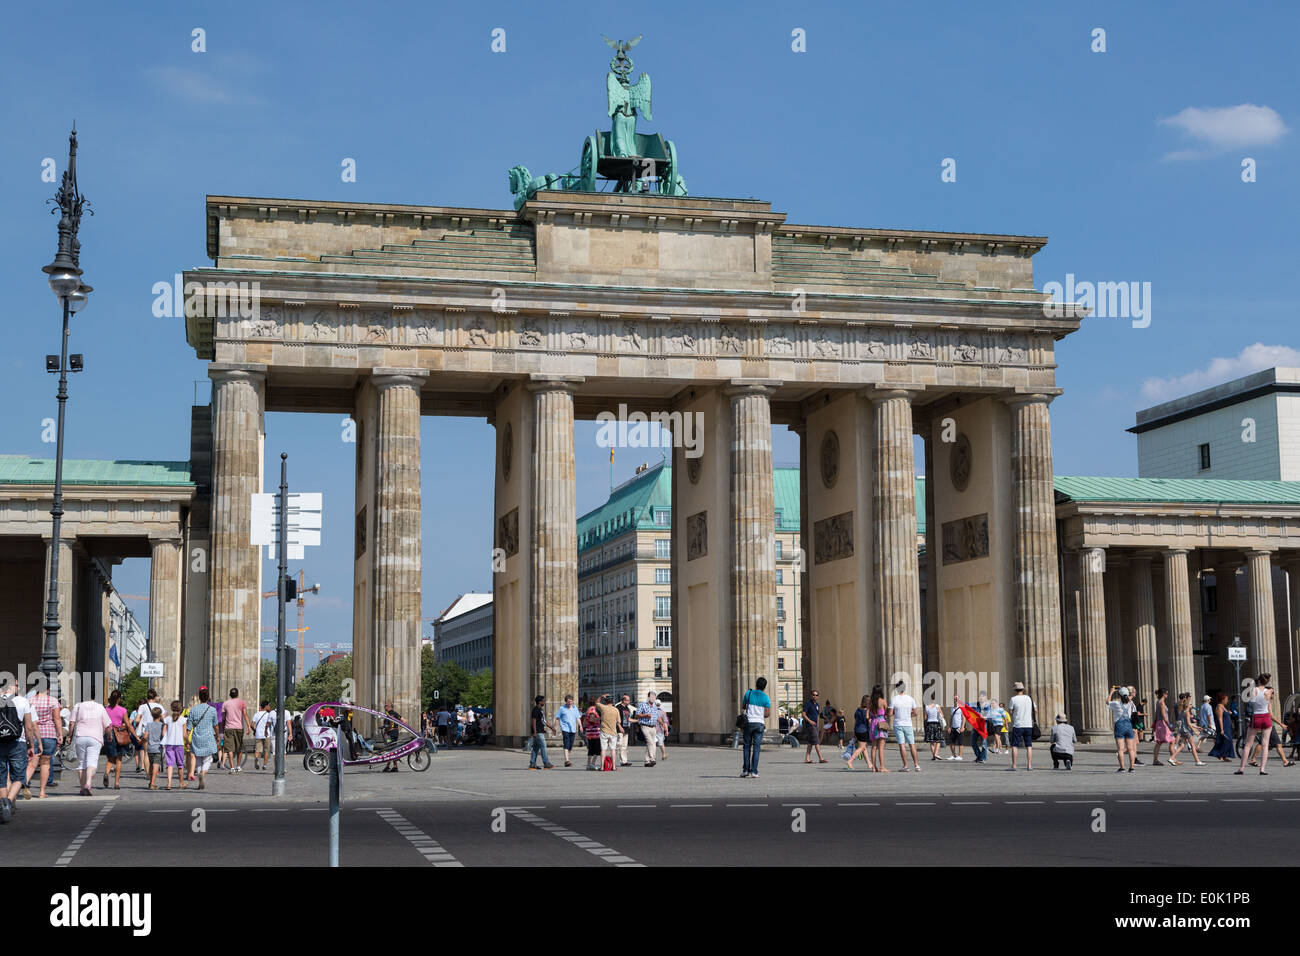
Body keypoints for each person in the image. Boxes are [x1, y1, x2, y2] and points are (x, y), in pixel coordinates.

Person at [0, 682, 37, 813]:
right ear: (9, 686)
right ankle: (9, 802)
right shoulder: (22, 701)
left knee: (2, 777)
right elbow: (28, 727)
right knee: (19, 776)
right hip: (18, 742)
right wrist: (31, 745)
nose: (18, 688)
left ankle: (3, 806)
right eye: (16, 685)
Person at [24, 684, 63, 799]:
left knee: (31, 763)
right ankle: (42, 792)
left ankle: (24, 784)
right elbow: (56, 718)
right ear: (48, 688)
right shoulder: (52, 700)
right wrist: (59, 734)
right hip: (49, 734)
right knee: (45, 763)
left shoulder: (29, 700)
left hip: (34, 735)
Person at [68, 694, 111, 797]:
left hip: (80, 736)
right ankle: (88, 784)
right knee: (92, 762)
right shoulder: (100, 707)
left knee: (81, 763)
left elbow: (71, 723)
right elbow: (107, 725)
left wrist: (70, 736)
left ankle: (82, 788)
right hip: (95, 737)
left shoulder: (78, 706)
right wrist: (109, 736)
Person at [1236, 674, 1278, 776]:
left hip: (1256, 717)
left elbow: (1251, 699)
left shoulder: (1254, 690)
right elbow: (1271, 696)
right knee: (1265, 744)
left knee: (1248, 745)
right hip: (1266, 717)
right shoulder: (1269, 691)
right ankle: (1262, 769)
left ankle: (1241, 768)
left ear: (1258, 681)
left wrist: (1251, 685)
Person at [186, 687, 220, 790]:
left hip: (196, 737)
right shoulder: (212, 710)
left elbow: (188, 728)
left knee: (198, 759)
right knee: (208, 759)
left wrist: (187, 740)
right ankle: (203, 773)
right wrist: (217, 735)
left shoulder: (193, 710)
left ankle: (200, 772)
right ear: (208, 697)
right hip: (208, 737)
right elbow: (215, 725)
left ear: (199, 698)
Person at [103, 689, 136, 790]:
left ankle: (106, 773)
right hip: (119, 734)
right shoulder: (123, 710)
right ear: (118, 699)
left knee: (110, 758)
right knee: (119, 759)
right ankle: (116, 783)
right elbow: (128, 725)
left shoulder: (106, 709)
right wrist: (135, 736)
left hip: (108, 734)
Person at [739, 677, 771, 778]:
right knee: (756, 748)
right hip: (759, 724)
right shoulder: (766, 698)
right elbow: (767, 714)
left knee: (747, 747)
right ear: (765, 687)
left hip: (748, 723)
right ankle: (754, 771)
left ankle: (745, 770)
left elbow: (743, 706)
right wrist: (760, 713)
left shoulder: (748, 693)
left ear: (756, 684)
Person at [890, 681, 921, 772]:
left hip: (898, 724)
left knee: (902, 745)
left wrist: (896, 713)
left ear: (897, 689)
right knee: (912, 745)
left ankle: (906, 766)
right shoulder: (910, 699)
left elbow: (890, 713)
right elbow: (915, 713)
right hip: (908, 724)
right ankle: (916, 765)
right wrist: (908, 715)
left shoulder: (894, 699)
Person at [220, 687, 251, 773]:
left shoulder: (225, 704)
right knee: (239, 748)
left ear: (230, 694)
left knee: (229, 748)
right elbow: (245, 714)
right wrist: (248, 726)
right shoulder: (242, 702)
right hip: (239, 727)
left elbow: (223, 718)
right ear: (237, 694)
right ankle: (238, 766)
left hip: (228, 727)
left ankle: (232, 767)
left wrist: (222, 727)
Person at [1007, 681, 1037, 771]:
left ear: (1015, 690)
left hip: (1018, 725)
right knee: (1029, 746)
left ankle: (1015, 765)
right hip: (1028, 725)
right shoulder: (1029, 698)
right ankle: (1029, 765)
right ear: (1023, 689)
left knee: (1015, 745)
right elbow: (1035, 710)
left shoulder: (1013, 699)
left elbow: (1011, 712)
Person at [1169, 693, 1205, 766]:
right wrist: (1195, 731)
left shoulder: (1182, 712)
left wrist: (1197, 727)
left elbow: (1187, 723)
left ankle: (1172, 758)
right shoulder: (1187, 712)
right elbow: (1189, 723)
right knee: (1192, 745)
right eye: (1190, 705)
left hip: (1182, 730)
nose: (1191, 706)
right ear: (1188, 705)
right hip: (1186, 731)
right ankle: (1197, 761)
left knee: (1182, 745)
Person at [1108, 685, 1137, 772]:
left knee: (1120, 749)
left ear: (1119, 696)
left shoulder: (1116, 703)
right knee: (1131, 749)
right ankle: (1132, 767)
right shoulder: (1131, 704)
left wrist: (1112, 692)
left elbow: (1107, 702)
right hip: (1128, 726)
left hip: (1119, 726)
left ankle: (1122, 768)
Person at [844, 695, 875, 770]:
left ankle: (869, 764)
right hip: (863, 731)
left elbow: (856, 721)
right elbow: (869, 722)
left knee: (863, 748)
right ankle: (850, 761)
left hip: (857, 730)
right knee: (861, 748)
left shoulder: (857, 710)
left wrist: (854, 732)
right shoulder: (867, 712)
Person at [133, 689, 161, 776]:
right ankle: (154, 772)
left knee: (146, 752)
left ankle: (148, 774)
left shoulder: (142, 707)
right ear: (155, 697)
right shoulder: (159, 706)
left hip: (146, 731)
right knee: (156, 752)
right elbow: (165, 717)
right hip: (157, 731)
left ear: (147, 697)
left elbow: (137, 720)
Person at [162, 700, 187, 790]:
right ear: (180, 709)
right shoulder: (183, 720)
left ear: (172, 708)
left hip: (169, 743)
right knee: (180, 765)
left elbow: (163, 733)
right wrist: (187, 742)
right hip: (179, 744)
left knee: (170, 764)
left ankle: (168, 784)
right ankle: (181, 783)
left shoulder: (167, 719)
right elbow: (184, 734)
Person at [527, 695, 555, 770]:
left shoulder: (541, 710)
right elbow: (534, 721)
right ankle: (546, 763)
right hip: (538, 732)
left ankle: (532, 764)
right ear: (539, 702)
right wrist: (535, 732)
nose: (544, 702)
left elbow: (544, 721)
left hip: (540, 730)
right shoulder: (535, 710)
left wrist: (552, 728)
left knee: (536, 748)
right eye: (543, 701)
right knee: (543, 747)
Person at [636, 692, 662, 767]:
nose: (653, 699)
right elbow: (637, 715)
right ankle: (652, 758)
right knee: (650, 742)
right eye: (651, 697)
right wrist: (645, 715)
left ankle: (647, 761)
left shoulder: (654, 706)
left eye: (654, 697)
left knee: (652, 743)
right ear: (648, 697)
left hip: (653, 727)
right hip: (645, 726)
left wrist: (662, 724)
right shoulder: (643, 704)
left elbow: (657, 716)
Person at [554, 694, 581, 768]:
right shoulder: (562, 708)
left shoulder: (575, 708)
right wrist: (555, 727)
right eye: (569, 701)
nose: (570, 703)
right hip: (565, 729)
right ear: (566, 702)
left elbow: (578, 718)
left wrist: (580, 726)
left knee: (570, 745)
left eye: (571, 701)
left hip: (573, 729)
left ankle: (567, 758)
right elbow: (557, 718)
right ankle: (567, 760)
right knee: (566, 744)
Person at [595, 695, 620, 771]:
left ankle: (602, 767)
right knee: (613, 749)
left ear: (605, 701)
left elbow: (596, 702)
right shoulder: (616, 710)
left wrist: (601, 696)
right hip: (613, 732)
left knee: (603, 749)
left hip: (604, 731)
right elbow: (619, 721)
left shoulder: (603, 708)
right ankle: (614, 767)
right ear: (612, 701)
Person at [869, 686, 891, 771]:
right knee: (881, 747)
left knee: (874, 746)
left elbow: (869, 714)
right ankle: (882, 767)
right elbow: (887, 713)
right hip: (881, 723)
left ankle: (874, 767)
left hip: (873, 723)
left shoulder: (871, 702)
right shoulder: (883, 701)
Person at [1208, 692, 1234, 761]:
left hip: (1227, 726)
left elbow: (1225, 714)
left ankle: (1223, 756)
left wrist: (1228, 713)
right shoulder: (1219, 707)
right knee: (1227, 740)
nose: (1227, 701)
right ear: (1222, 699)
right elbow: (1220, 718)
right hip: (1223, 727)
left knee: (1225, 741)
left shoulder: (1223, 707)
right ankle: (1218, 754)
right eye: (1226, 699)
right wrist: (1222, 729)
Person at [1151, 688, 1174, 766]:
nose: (1167, 694)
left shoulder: (1159, 702)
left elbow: (1156, 714)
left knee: (1160, 742)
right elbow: (1164, 716)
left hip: (1160, 723)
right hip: (1163, 723)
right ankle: (1172, 759)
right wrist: (1169, 725)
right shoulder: (1161, 702)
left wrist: (1154, 724)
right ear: (1163, 694)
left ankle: (1156, 760)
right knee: (1171, 740)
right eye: (1166, 693)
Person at [145, 706, 165, 789]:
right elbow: (163, 735)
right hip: (158, 748)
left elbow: (145, 735)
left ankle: (150, 782)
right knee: (156, 765)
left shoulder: (148, 725)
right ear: (160, 715)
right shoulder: (162, 725)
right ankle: (152, 783)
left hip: (150, 747)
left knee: (150, 765)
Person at [803, 690, 826, 764]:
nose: (814, 696)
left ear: (818, 697)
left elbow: (817, 715)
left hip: (815, 725)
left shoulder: (817, 705)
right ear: (811, 695)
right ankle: (821, 758)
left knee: (810, 742)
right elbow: (803, 714)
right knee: (816, 742)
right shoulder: (808, 704)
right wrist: (810, 721)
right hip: (810, 725)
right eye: (813, 695)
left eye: (816, 695)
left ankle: (807, 758)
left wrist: (818, 724)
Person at [253, 701, 276, 770]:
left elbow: (252, 725)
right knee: (266, 750)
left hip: (258, 735)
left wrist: (255, 730)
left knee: (257, 750)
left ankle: (256, 758)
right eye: (269, 705)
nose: (269, 707)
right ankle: (264, 765)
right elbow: (270, 724)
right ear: (266, 706)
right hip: (267, 735)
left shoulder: (256, 714)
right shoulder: (269, 714)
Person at [380, 701, 403, 772]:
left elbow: (390, 723)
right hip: (395, 733)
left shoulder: (390, 714)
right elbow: (403, 720)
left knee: (390, 749)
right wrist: (398, 729)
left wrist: (387, 731)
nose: (384, 707)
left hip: (390, 734)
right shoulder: (396, 713)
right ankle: (388, 766)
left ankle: (395, 767)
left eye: (385, 706)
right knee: (392, 749)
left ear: (389, 706)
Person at [581, 704, 602, 770]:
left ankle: (588, 764)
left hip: (589, 733)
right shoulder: (592, 710)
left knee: (591, 750)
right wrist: (601, 718)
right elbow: (592, 719)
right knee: (597, 750)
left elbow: (584, 723)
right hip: (595, 733)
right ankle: (592, 764)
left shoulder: (588, 711)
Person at [615, 694, 633, 767]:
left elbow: (628, 719)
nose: (629, 701)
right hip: (620, 729)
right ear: (624, 700)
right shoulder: (618, 707)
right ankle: (611, 759)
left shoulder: (627, 708)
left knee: (624, 746)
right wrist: (619, 727)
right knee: (618, 744)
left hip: (626, 728)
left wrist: (637, 720)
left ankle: (624, 761)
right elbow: (616, 718)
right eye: (628, 700)